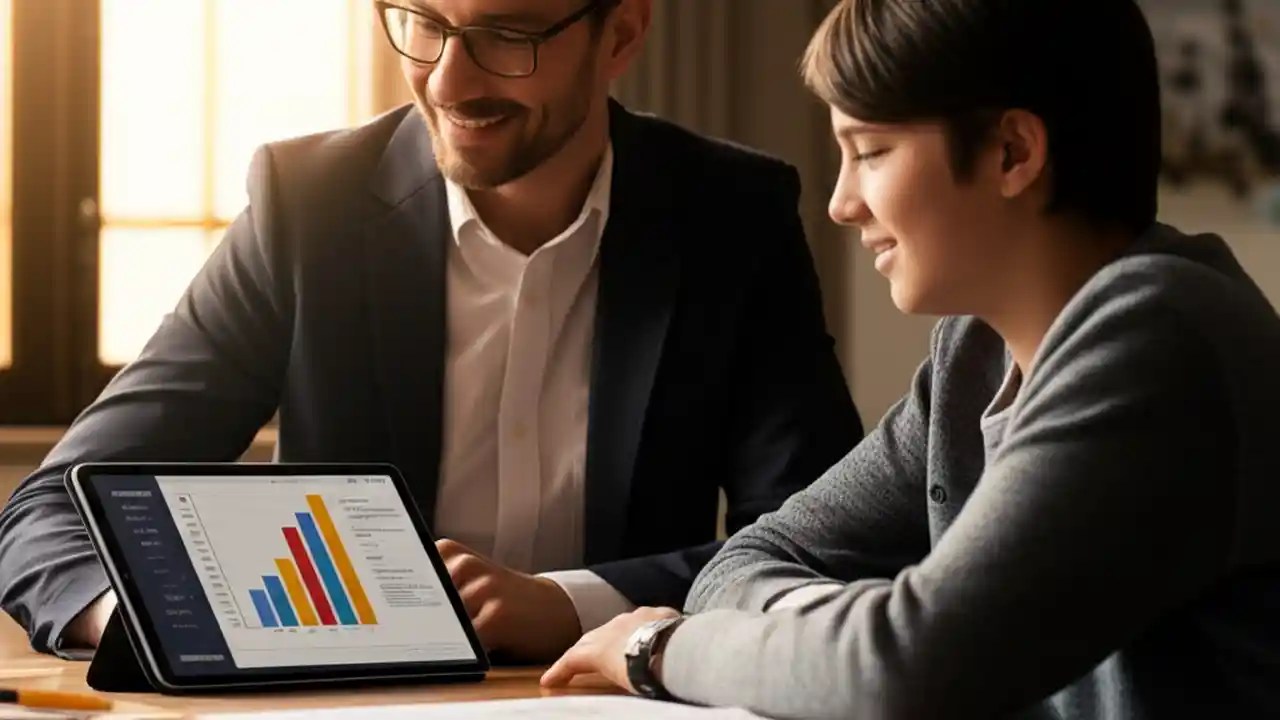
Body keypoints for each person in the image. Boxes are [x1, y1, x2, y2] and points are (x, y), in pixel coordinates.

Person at [0, 0, 863, 661]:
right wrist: (153, 627)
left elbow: (826, 539)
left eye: (505, 35)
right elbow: (45, 514)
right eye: (423, 23)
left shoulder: (732, 217)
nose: (449, 81)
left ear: (622, 34)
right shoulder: (308, 209)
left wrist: (568, 603)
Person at [542, 0, 1280, 716]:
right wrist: (847, 640)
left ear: (1012, 152)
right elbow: (747, 561)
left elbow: (903, 672)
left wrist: (657, 648)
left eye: (869, 152)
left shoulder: (1158, 339)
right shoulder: (974, 357)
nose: (840, 202)